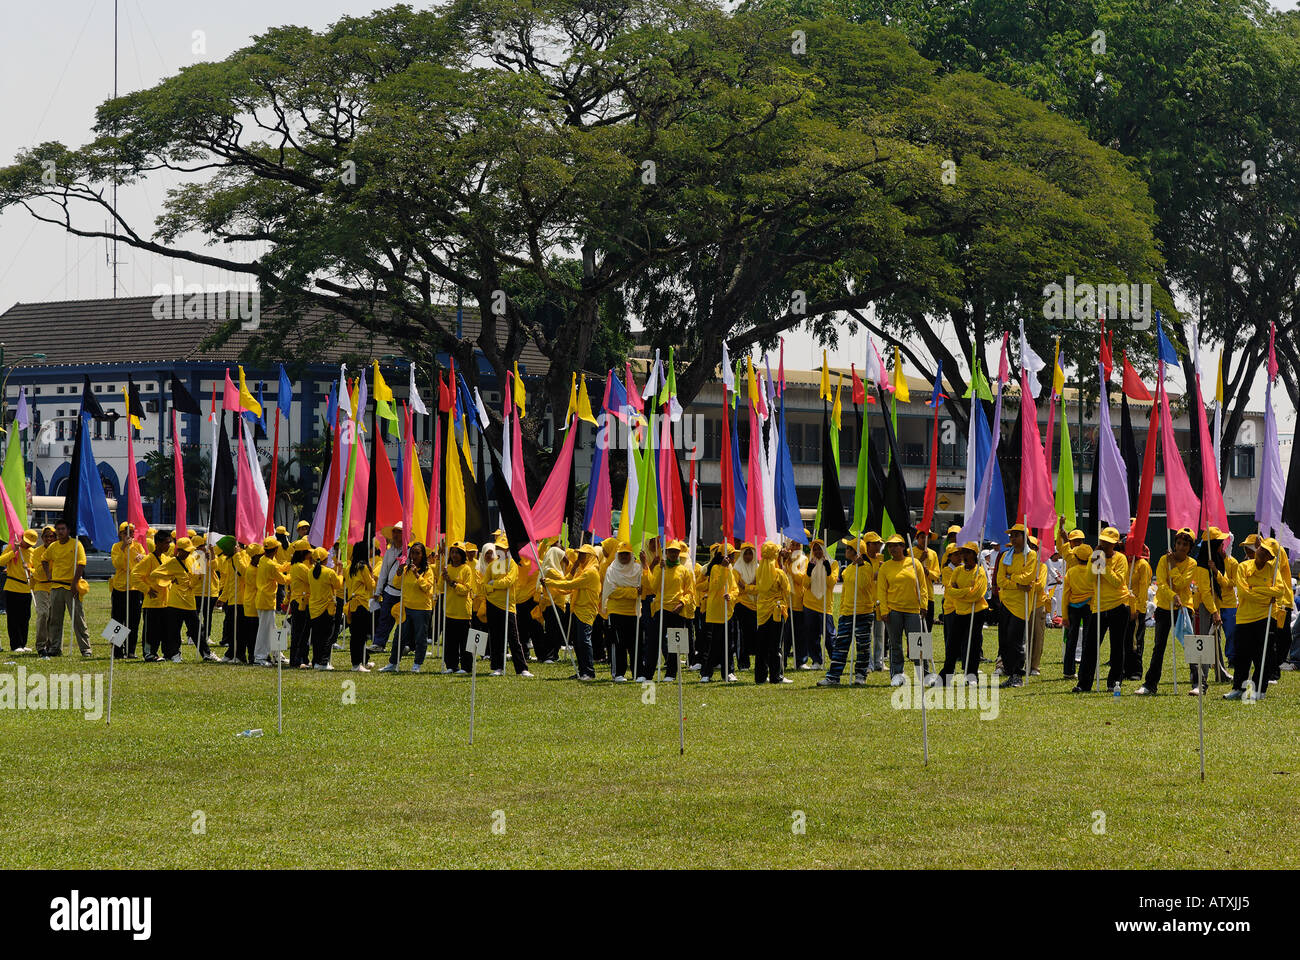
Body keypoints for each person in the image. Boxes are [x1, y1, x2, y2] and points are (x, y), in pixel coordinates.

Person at [1137, 528, 1197, 696]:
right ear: (1175, 543)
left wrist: (1173, 567)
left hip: (1184, 608)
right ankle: (1150, 684)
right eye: (1179, 543)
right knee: (1159, 646)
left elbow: (1182, 583)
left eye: (1185, 544)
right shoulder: (1164, 559)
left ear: (1190, 547)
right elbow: (1161, 585)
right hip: (1164, 607)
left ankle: (1199, 683)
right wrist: (1172, 595)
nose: (1181, 547)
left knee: (1190, 646)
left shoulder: (1192, 563)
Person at [1225, 537, 1288, 700]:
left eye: (1268, 553)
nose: (1263, 553)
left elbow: (1280, 591)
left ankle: (1259, 689)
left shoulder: (1273, 571)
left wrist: (1256, 589)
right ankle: (1238, 688)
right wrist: (1267, 596)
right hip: (1245, 618)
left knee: (1263, 657)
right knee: (1242, 656)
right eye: (1263, 549)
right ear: (1258, 547)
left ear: (1271, 557)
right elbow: (1244, 592)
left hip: (1266, 617)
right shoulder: (1243, 566)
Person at [820, 537, 874, 687]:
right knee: (840, 646)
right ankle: (833, 677)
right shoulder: (848, 569)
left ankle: (860, 675)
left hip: (863, 612)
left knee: (863, 646)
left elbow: (863, 585)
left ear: (857, 552)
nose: (846, 550)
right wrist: (842, 610)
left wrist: (861, 566)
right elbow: (845, 592)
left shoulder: (867, 568)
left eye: (849, 548)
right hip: (847, 612)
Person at [643, 539, 697, 682]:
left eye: (675, 551)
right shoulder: (661, 568)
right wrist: (660, 570)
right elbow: (653, 587)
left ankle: (671, 673)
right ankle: (648, 674)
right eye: (670, 551)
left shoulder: (684, 571)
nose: (673, 554)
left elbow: (690, 592)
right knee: (654, 641)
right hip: (661, 608)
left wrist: (682, 603)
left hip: (677, 610)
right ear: (666, 553)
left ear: (679, 553)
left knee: (675, 643)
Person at [545, 543, 601, 680]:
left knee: (584, 641)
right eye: (579, 554)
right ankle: (582, 671)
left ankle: (589, 672)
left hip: (586, 610)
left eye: (583, 554)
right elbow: (568, 588)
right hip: (577, 609)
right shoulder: (582, 570)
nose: (579, 556)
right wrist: (552, 586)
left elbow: (570, 584)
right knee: (577, 642)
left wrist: (550, 582)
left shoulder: (590, 572)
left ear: (590, 556)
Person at [878, 534, 928, 686]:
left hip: (913, 609)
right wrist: (884, 610)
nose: (893, 548)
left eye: (897, 545)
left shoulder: (914, 563)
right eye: (890, 546)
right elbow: (881, 590)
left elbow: (922, 586)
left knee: (918, 643)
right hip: (894, 610)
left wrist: (924, 605)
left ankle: (924, 674)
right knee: (895, 644)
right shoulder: (885, 567)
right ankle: (897, 674)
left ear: (903, 547)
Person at [937, 542, 988, 684]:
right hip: (959, 612)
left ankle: (971, 675)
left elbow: (976, 595)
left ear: (975, 555)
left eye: (968, 553)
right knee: (953, 644)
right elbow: (950, 590)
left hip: (976, 612)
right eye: (962, 553)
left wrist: (960, 591)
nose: (964, 556)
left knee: (973, 643)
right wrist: (967, 590)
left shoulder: (980, 572)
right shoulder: (957, 571)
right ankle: (946, 675)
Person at [480, 539, 531, 677]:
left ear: (507, 550)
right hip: (492, 604)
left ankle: (521, 669)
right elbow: (484, 586)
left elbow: (509, 581)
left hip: (508, 606)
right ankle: (497, 667)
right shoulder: (492, 566)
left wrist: (493, 584)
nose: (499, 551)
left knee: (514, 638)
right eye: (497, 548)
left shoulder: (512, 563)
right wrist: (493, 587)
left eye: (502, 548)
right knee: (496, 638)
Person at [159, 536, 214, 662]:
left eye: (190, 550)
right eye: (186, 550)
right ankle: (174, 654)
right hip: (175, 602)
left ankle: (206, 654)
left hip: (189, 601)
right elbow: (155, 573)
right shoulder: (172, 562)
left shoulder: (192, 558)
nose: (189, 553)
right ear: (179, 551)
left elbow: (198, 575)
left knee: (196, 630)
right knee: (174, 631)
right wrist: (170, 579)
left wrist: (206, 560)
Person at [42, 519, 91, 658]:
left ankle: (85, 648)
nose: (60, 532)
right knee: (55, 620)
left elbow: (81, 564)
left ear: (68, 530)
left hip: (71, 586)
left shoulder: (76, 544)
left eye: (63, 529)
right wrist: (48, 574)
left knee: (78, 619)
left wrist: (75, 583)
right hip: (56, 586)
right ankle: (55, 647)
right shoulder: (53, 546)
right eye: (58, 529)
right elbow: (44, 559)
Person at [600, 541, 643, 681]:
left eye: (626, 554)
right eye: (621, 554)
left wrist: (629, 590)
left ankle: (637, 673)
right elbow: (611, 591)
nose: (624, 556)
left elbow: (642, 588)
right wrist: (632, 592)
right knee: (618, 643)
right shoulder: (611, 570)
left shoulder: (638, 569)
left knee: (635, 644)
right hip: (616, 611)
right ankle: (618, 673)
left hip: (633, 612)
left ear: (631, 554)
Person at [752, 542, 790, 684]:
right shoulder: (778, 573)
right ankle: (777, 676)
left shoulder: (759, 572)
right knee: (775, 646)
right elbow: (787, 590)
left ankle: (760, 677)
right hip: (776, 612)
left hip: (761, 613)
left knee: (761, 646)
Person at [797, 538, 836, 671]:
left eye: (820, 548)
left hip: (825, 605)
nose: (818, 551)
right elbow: (805, 584)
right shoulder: (809, 562)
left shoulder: (833, 563)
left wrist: (827, 569)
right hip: (810, 604)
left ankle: (835, 659)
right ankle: (816, 660)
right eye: (815, 549)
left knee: (829, 635)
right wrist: (809, 571)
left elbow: (831, 584)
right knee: (812, 635)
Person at [134, 529, 173, 662]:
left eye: (170, 542)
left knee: (165, 630)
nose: (169, 545)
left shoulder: (166, 559)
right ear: (158, 543)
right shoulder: (149, 559)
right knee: (151, 631)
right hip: (152, 603)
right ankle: (149, 653)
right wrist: (147, 589)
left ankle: (168, 653)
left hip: (166, 602)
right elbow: (135, 576)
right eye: (167, 543)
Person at [108, 522, 146, 658]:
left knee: (134, 621)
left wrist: (142, 558)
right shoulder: (116, 547)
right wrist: (124, 547)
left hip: (134, 588)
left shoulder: (138, 547)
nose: (128, 536)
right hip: (120, 587)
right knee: (117, 620)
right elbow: (117, 564)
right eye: (125, 533)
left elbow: (144, 563)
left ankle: (131, 650)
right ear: (120, 534)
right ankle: (117, 650)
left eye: (131, 533)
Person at [369, 523, 405, 653]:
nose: (395, 535)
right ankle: (379, 643)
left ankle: (404, 645)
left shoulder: (410, 551)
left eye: (399, 532)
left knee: (405, 620)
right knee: (385, 618)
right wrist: (378, 592)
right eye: (394, 532)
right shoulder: (389, 552)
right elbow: (383, 572)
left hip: (405, 592)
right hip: (389, 590)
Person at [254, 535, 290, 667]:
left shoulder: (264, 559)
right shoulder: (270, 564)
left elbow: (277, 567)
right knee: (264, 631)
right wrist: (295, 573)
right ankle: (259, 657)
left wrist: (289, 566)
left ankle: (277, 654)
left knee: (272, 629)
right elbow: (284, 580)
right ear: (275, 550)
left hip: (264, 599)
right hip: (266, 601)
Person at [0, 529, 38, 653]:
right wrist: (13, 551)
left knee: (25, 618)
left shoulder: (34, 553)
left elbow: (37, 570)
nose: (27, 544)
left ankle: (23, 643)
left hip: (27, 589)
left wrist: (29, 570)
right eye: (25, 541)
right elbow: (1, 561)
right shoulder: (13, 548)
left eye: (30, 543)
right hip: (12, 588)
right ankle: (15, 645)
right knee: (13, 618)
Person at [306, 547, 343, 670]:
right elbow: (338, 584)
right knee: (327, 637)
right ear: (325, 559)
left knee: (316, 637)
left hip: (314, 608)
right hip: (327, 609)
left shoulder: (310, 572)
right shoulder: (329, 572)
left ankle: (316, 661)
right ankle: (323, 662)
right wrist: (341, 572)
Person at [1060, 544, 1094, 680]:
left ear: (1076, 557)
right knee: (1088, 639)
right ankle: (1086, 670)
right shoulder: (1093, 571)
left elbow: (1065, 595)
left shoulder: (1071, 572)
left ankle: (1068, 671)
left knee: (1071, 640)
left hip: (1073, 608)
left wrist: (1064, 616)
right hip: (1090, 606)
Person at [440, 542, 474, 674]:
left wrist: (452, 583)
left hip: (463, 612)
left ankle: (466, 667)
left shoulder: (466, 569)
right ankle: (451, 665)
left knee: (464, 642)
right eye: (452, 552)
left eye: (457, 552)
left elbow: (465, 590)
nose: (454, 555)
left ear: (462, 555)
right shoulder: (447, 568)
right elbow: (440, 588)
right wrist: (443, 578)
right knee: (450, 642)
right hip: (449, 610)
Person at [345, 542, 377, 672]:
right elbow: (371, 586)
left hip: (352, 604)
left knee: (356, 635)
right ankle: (356, 664)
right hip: (361, 604)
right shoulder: (363, 567)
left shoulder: (348, 567)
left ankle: (363, 661)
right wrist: (373, 577)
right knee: (360, 636)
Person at [1124, 539, 1153, 680]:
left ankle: (1136, 671)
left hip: (1136, 610)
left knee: (1135, 640)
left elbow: (1143, 590)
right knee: (1125, 640)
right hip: (1124, 607)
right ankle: (1125, 669)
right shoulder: (1125, 562)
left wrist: (1136, 609)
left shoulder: (1142, 565)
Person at [286, 539, 313, 668]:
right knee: (300, 633)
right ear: (303, 553)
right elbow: (312, 579)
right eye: (309, 552)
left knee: (302, 632)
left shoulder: (296, 566)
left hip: (299, 601)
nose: (311, 555)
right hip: (300, 602)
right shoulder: (301, 567)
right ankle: (297, 660)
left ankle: (302, 658)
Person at [731, 542, 757, 671]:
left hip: (756, 605)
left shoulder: (757, 568)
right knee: (742, 635)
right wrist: (751, 586)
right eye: (745, 553)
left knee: (755, 635)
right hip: (741, 605)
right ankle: (743, 663)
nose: (748, 556)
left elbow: (760, 587)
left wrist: (747, 587)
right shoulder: (736, 568)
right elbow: (737, 587)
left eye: (750, 553)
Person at [30, 526, 55, 657]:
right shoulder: (36, 552)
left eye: (52, 536)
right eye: (46, 536)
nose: (49, 539)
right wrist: (47, 557)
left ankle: (52, 645)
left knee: (53, 617)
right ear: (42, 538)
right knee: (43, 614)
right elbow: (39, 573)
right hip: (41, 587)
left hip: (55, 587)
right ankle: (41, 646)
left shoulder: (58, 550)